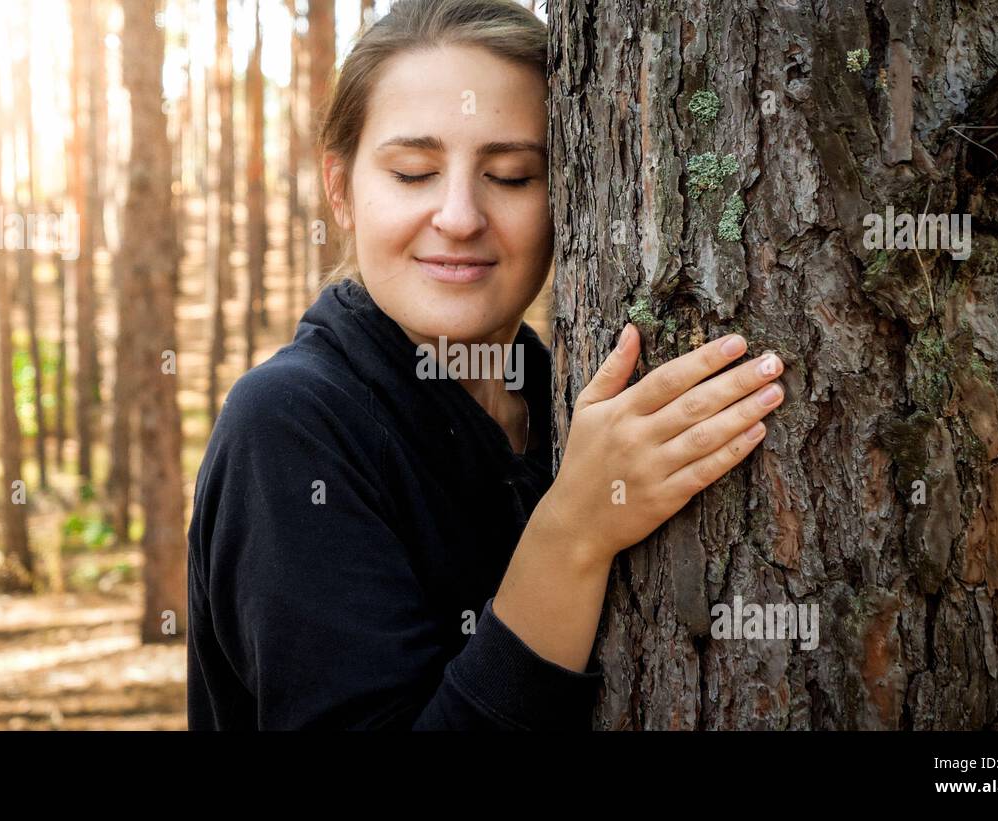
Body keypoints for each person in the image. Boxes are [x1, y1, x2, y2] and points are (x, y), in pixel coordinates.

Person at [186, 0, 786, 730]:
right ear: (340, 191)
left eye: (509, 175)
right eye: (413, 173)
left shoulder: (569, 397)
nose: (460, 216)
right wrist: (573, 532)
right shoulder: (288, 427)